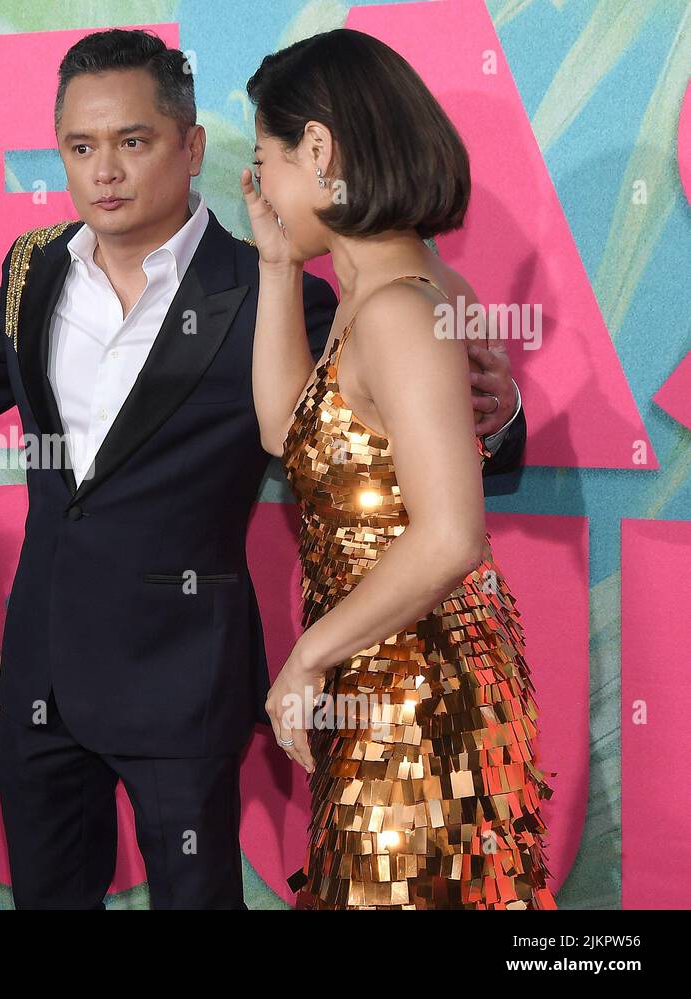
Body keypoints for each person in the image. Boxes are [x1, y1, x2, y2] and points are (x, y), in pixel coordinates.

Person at [0, 28, 526, 908]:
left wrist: (505, 411)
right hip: (43, 678)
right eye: (79, 147)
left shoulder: (289, 292)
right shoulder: (35, 270)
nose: (103, 170)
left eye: (132, 141)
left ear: (192, 149)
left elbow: (396, 438)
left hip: (183, 679)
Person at [242, 27, 554, 909]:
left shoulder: (402, 310)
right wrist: (274, 264)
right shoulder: (389, 292)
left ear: (318, 148)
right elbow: (284, 429)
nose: (259, 184)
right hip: (384, 675)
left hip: (420, 694)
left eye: (266, 158)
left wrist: (305, 658)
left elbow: (452, 533)